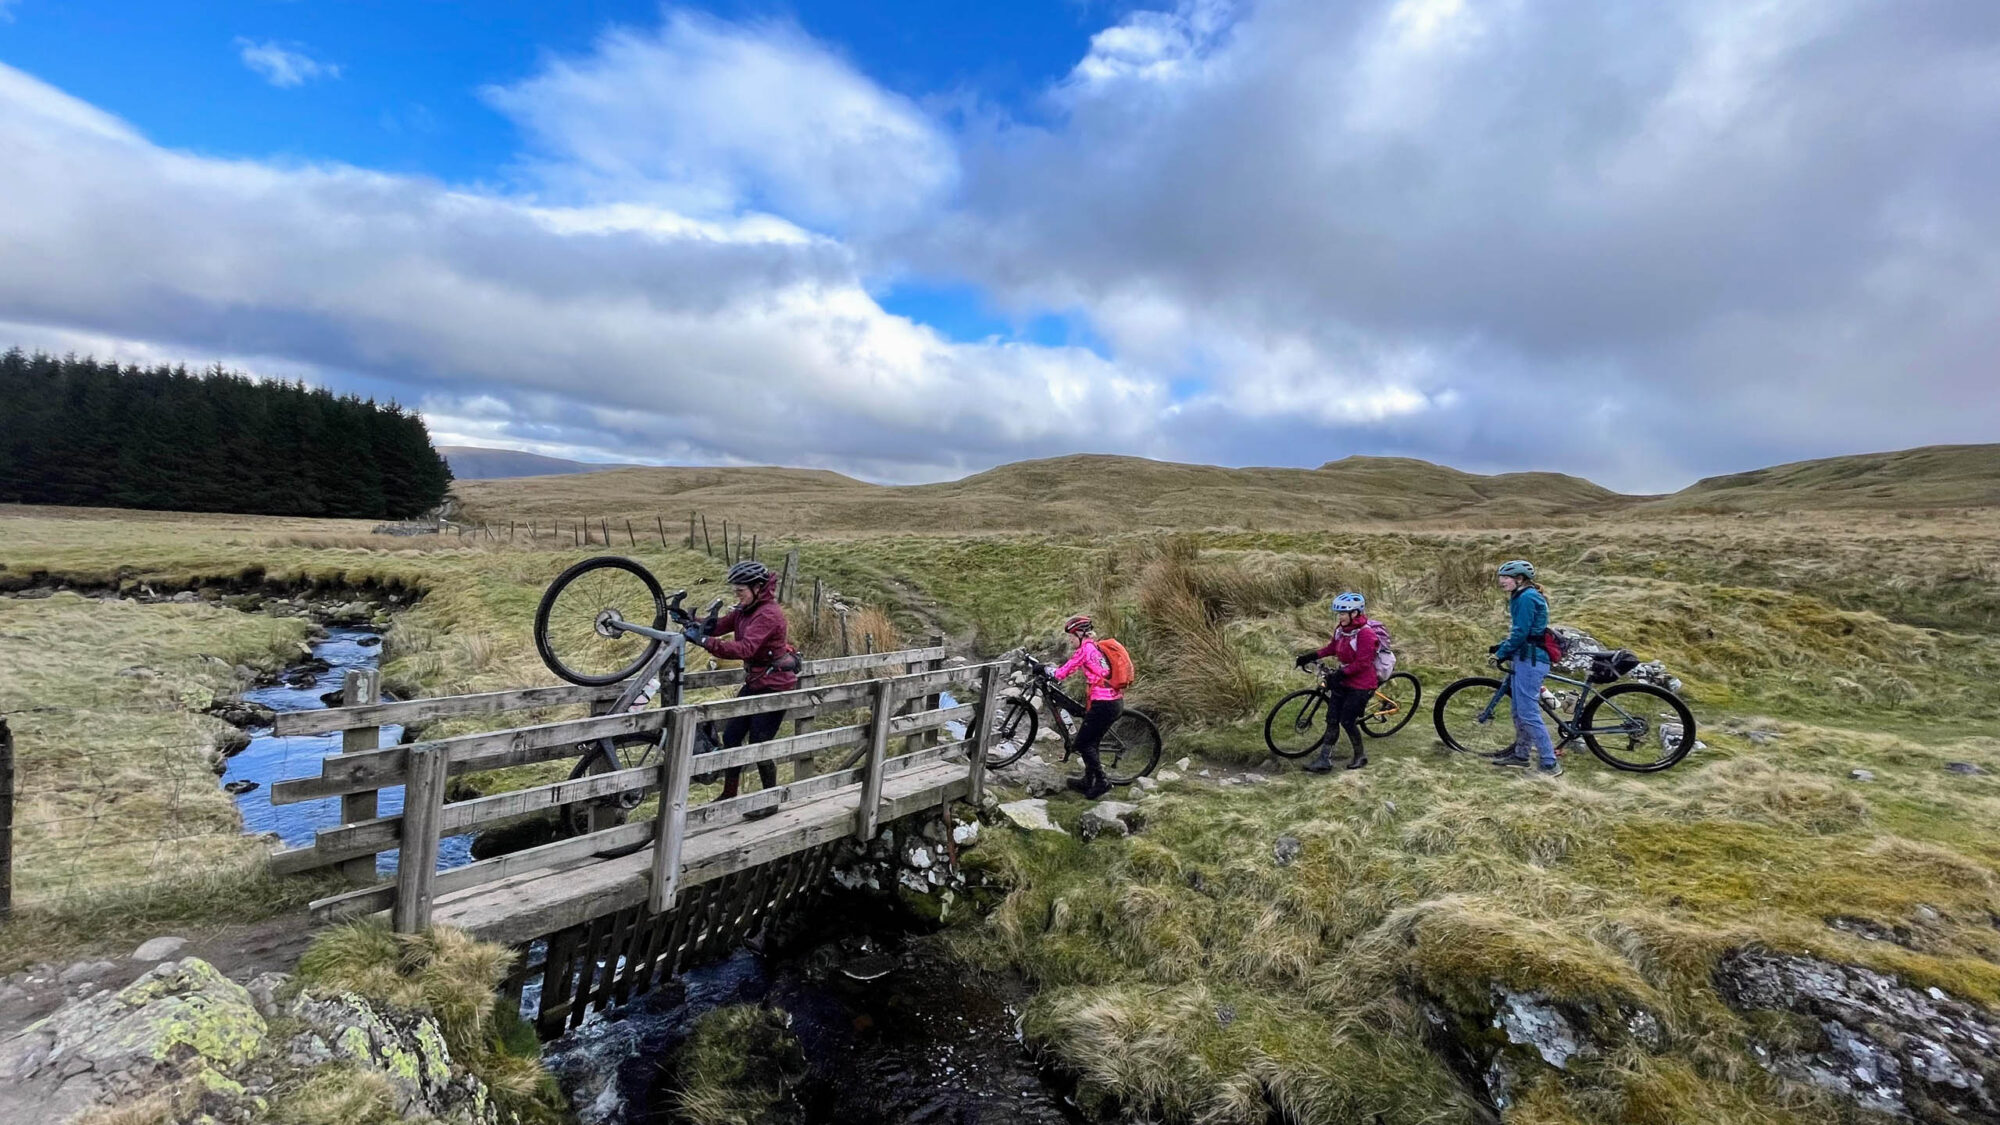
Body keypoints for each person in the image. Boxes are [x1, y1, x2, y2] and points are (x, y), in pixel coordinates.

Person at [684, 559, 799, 817]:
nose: (737, 595)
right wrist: (692, 621)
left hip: (775, 686)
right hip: (756, 682)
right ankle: (730, 792)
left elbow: (745, 649)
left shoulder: (768, 614)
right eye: (735, 591)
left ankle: (769, 801)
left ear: (758, 588)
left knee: (760, 742)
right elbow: (720, 625)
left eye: (740, 591)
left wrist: (704, 641)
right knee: (733, 736)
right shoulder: (745, 610)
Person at [1488, 559, 1561, 776]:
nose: (1501, 581)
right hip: (1524, 657)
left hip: (1531, 660)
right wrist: (1504, 648)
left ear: (1519, 579)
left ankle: (1550, 763)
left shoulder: (1527, 597)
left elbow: (1521, 633)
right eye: (1501, 577)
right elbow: (1523, 632)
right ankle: (1521, 755)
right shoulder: (1523, 595)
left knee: (1528, 713)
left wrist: (1501, 654)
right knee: (1519, 711)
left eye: (1506, 577)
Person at [1292, 592, 1379, 772]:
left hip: (1361, 685)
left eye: (1342, 613)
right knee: (1332, 719)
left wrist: (1340, 674)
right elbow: (1333, 647)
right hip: (1344, 681)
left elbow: (1363, 663)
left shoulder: (1366, 634)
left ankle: (1360, 756)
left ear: (1354, 613)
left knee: (1347, 721)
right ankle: (1324, 760)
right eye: (1338, 614)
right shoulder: (1341, 629)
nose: (1339, 617)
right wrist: (1311, 656)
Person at [1044, 614, 1121, 799]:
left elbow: (1062, 673)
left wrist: (1045, 669)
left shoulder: (1085, 650)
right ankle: (1088, 780)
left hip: (1104, 704)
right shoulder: (1092, 647)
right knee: (1091, 742)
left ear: (1080, 633)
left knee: (1083, 743)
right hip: (1109, 701)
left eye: (1071, 636)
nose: (1070, 640)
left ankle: (1102, 781)